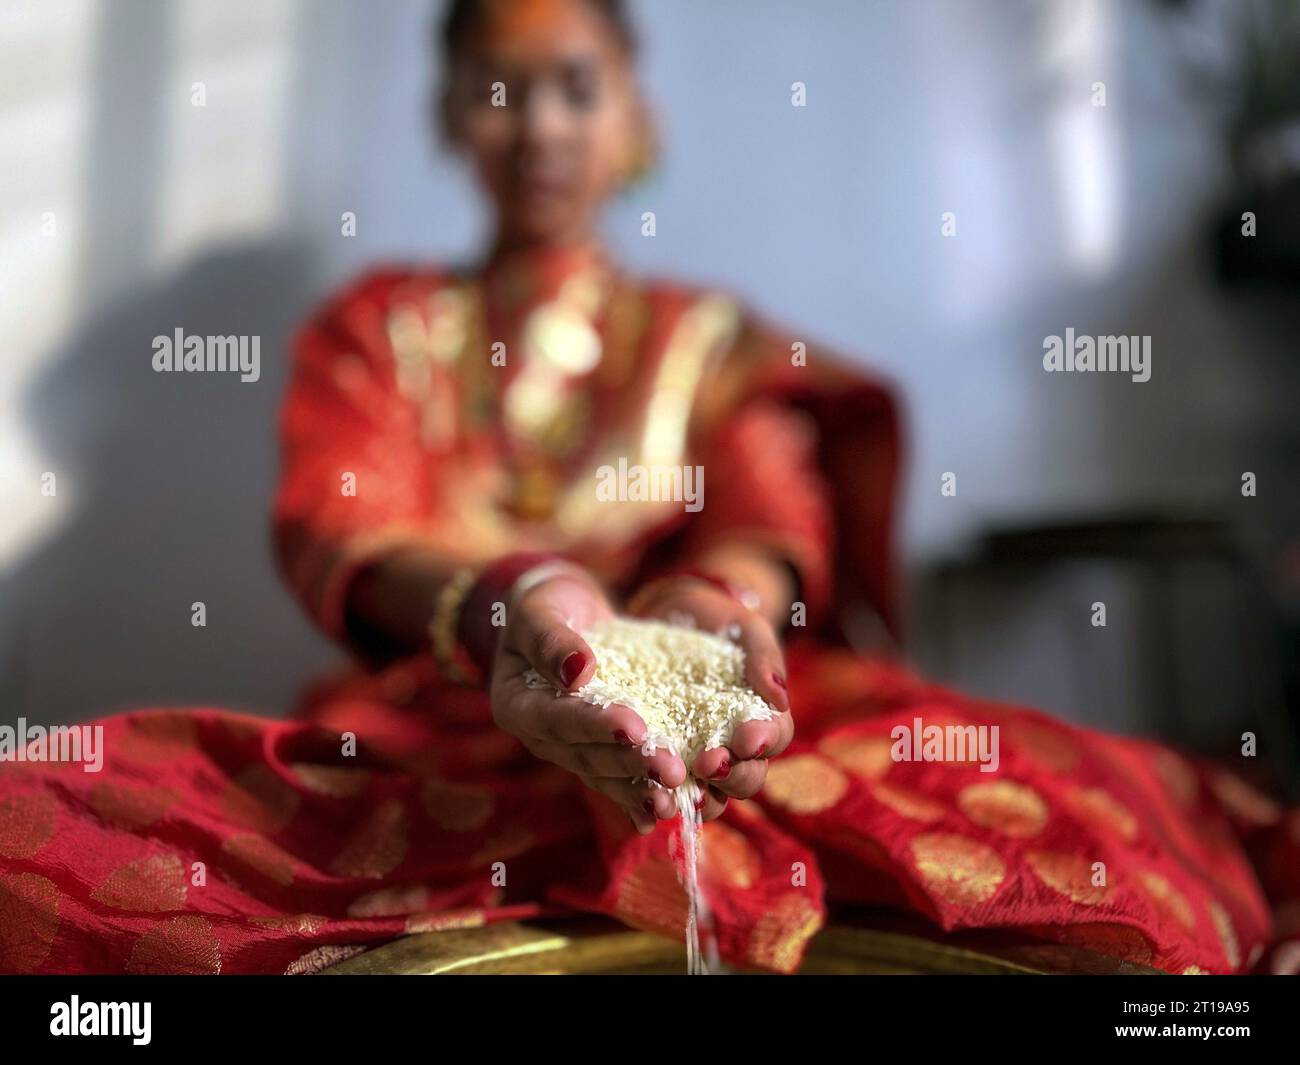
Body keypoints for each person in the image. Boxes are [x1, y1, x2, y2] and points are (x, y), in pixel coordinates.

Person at [1, 0, 1294, 975]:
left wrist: (707, 605)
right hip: (445, 709)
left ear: (634, 121)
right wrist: (523, 600)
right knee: (42, 816)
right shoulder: (376, 327)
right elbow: (343, 519)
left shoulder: (708, 336)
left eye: (576, 88)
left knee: (1096, 823)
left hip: (745, 698)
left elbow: (771, 518)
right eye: (497, 91)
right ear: (452, 118)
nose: (541, 126)